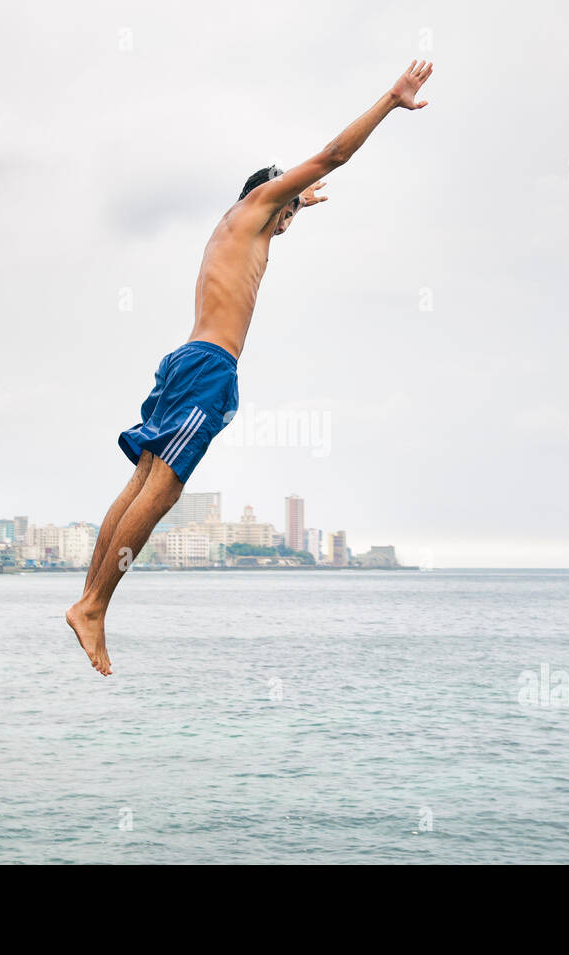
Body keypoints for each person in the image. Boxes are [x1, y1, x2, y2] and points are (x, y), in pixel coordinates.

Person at [68, 60, 434, 675]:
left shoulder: (234, 228)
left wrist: (299, 204)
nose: (288, 219)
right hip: (208, 366)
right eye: (287, 207)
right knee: (164, 490)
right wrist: (389, 102)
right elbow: (332, 154)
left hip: (186, 359)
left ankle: (88, 600)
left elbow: (281, 210)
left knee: (140, 483)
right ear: (270, 195)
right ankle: (96, 606)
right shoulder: (256, 207)